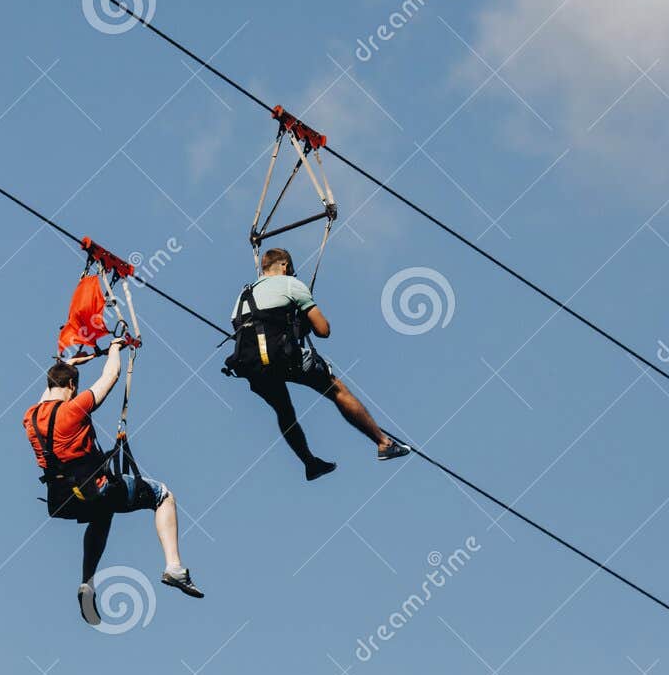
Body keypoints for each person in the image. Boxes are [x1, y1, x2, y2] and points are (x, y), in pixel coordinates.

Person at [24, 341, 202, 626]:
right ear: (71, 385)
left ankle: (87, 583)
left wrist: (68, 365)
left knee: (101, 515)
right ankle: (174, 567)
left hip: (63, 500)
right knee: (163, 495)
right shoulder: (75, 409)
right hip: (96, 488)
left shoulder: (30, 418)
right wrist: (117, 348)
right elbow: (110, 377)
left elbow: (48, 394)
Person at [227, 247, 411, 479]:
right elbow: (323, 331)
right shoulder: (290, 285)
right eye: (291, 270)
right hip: (282, 359)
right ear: (284, 266)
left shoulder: (242, 296)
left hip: (252, 366)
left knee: (284, 410)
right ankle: (384, 443)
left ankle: (309, 463)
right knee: (336, 388)